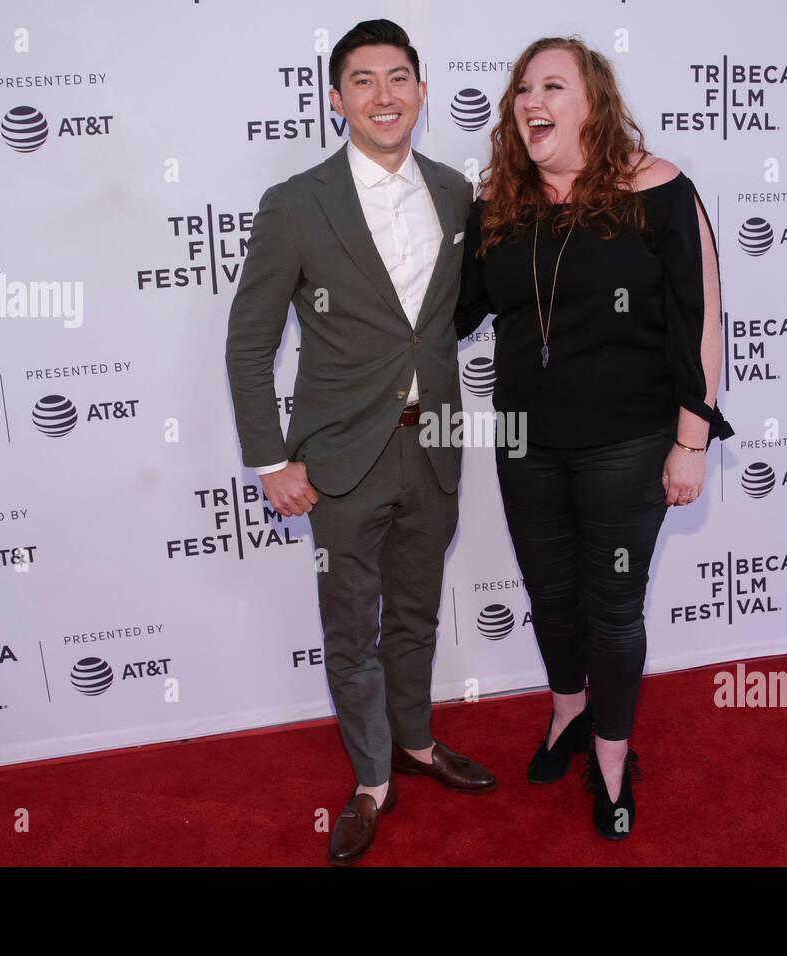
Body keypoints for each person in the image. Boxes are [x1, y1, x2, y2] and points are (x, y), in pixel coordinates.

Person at [225, 18, 496, 867]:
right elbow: (248, 342)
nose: (384, 96)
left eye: (399, 78)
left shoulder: (457, 193)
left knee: (415, 612)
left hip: (436, 442)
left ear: (421, 90)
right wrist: (272, 459)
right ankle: (372, 779)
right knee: (351, 626)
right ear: (336, 98)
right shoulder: (296, 204)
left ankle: (416, 741)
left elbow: (449, 318)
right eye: (364, 81)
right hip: (340, 457)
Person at [454, 37, 734, 839]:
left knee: (611, 605)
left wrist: (693, 439)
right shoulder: (499, 204)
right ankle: (568, 712)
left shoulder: (658, 188)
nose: (531, 99)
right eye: (522, 89)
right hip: (523, 441)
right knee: (548, 594)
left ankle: (611, 754)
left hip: (628, 441)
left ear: (592, 103)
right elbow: (456, 315)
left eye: (553, 85)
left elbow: (702, 319)